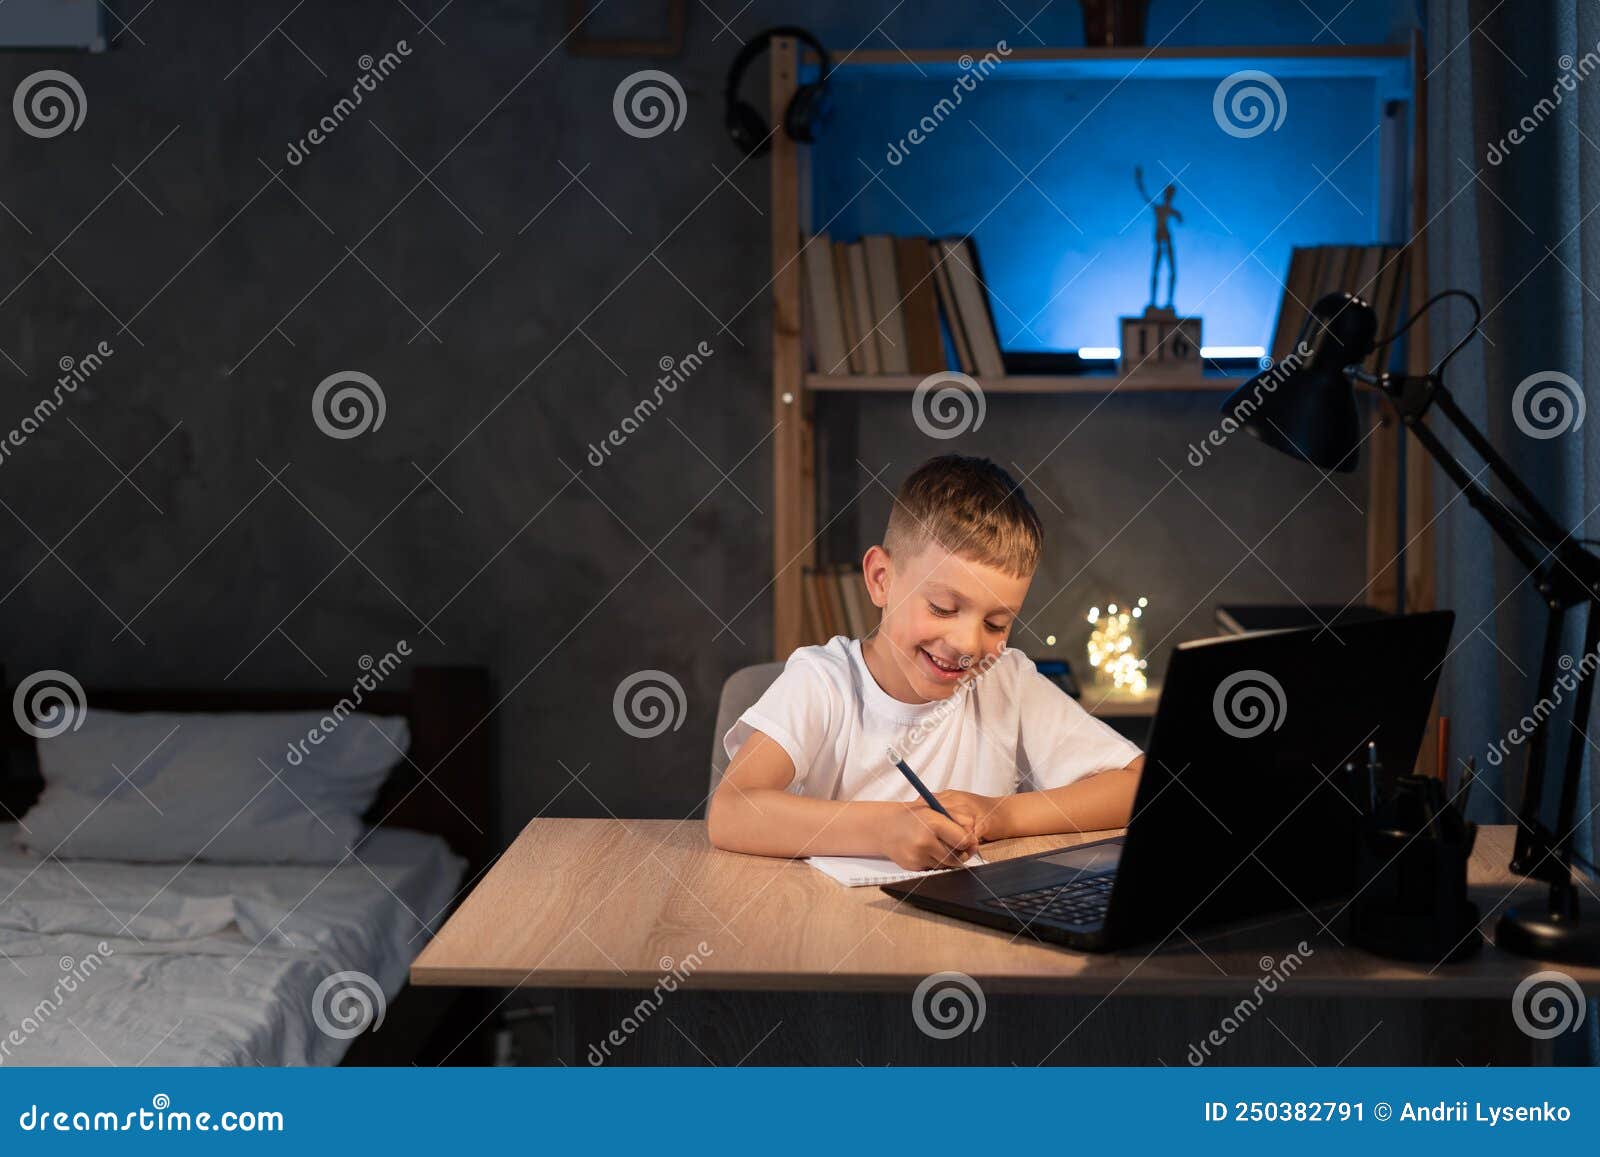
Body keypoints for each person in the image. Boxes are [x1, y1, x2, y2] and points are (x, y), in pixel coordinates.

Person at [707, 454, 1144, 869]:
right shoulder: (822, 682)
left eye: (995, 624)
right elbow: (731, 812)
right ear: (881, 580)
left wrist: (1000, 814)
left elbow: (1140, 785)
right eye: (942, 608)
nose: (967, 643)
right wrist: (883, 830)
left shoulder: (1005, 681)